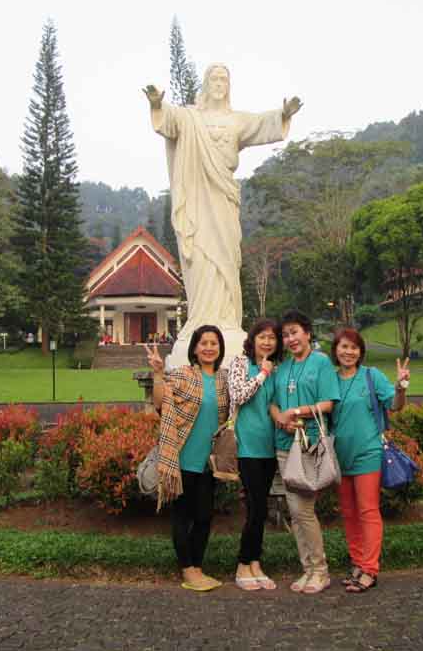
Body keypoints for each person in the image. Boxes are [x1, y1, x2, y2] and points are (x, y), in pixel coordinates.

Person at [143, 66, 301, 338]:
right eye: (214, 79)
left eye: (224, 79)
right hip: (197, 198)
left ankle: (227, 320)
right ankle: (201, 319)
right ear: (206, 84)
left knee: (227, 254)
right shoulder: (189, 117)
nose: (219, 83)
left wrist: (283, 114)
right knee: (202, 257)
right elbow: (167, 120)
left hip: (224, 197)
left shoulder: (237, 120)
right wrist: (157, 104)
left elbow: (263, 123)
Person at [147, 325, 230, 592]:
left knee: (204, 517)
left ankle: (197, 566)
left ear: (220, 349)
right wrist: (158, 373)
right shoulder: (183, 375)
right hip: (181, 457)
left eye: (213, 343)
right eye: (203, 343)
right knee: (182, 515)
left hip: (209, 462)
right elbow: (160, 403)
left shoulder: (223, 380)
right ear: (194, 348)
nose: (208, 348)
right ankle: (188, 569)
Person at [329, 328, 410, 593]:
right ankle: (357, 562)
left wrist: (400, 387)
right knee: (349, 513)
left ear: (360, 352)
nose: (348, 352)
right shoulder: (330, 379)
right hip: (339, 457)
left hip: (368, 453)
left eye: (354, 347)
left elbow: (396, 406)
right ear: (336, 350)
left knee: (367, 511)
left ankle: (370, 569)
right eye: (344, 347)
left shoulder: (371, 376)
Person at [269, 310, 340, 594]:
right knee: (295, 512)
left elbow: (328, 404)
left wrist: (296, 412)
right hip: (285, 447)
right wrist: (280, 417)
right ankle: (307, 568)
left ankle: (320, 570)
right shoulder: (283, 367)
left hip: (309, 445)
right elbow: (273, 404)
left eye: (295, 332)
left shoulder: (321, 363)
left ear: (308, 333)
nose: (290, 339)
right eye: (285, 335)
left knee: (303, 510)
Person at [226, 318, 282, 591]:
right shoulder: (240, 363)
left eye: (272, 338)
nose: (267, 342)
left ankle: (255, 562)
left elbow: (275, 404)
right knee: (256, 505)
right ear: (253, 338)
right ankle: (243, 563)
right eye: (263, 337)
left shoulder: (278, 369)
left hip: (269, 446)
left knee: (260, 508)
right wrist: (260, 374)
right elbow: (238, 395)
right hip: (246, 445)